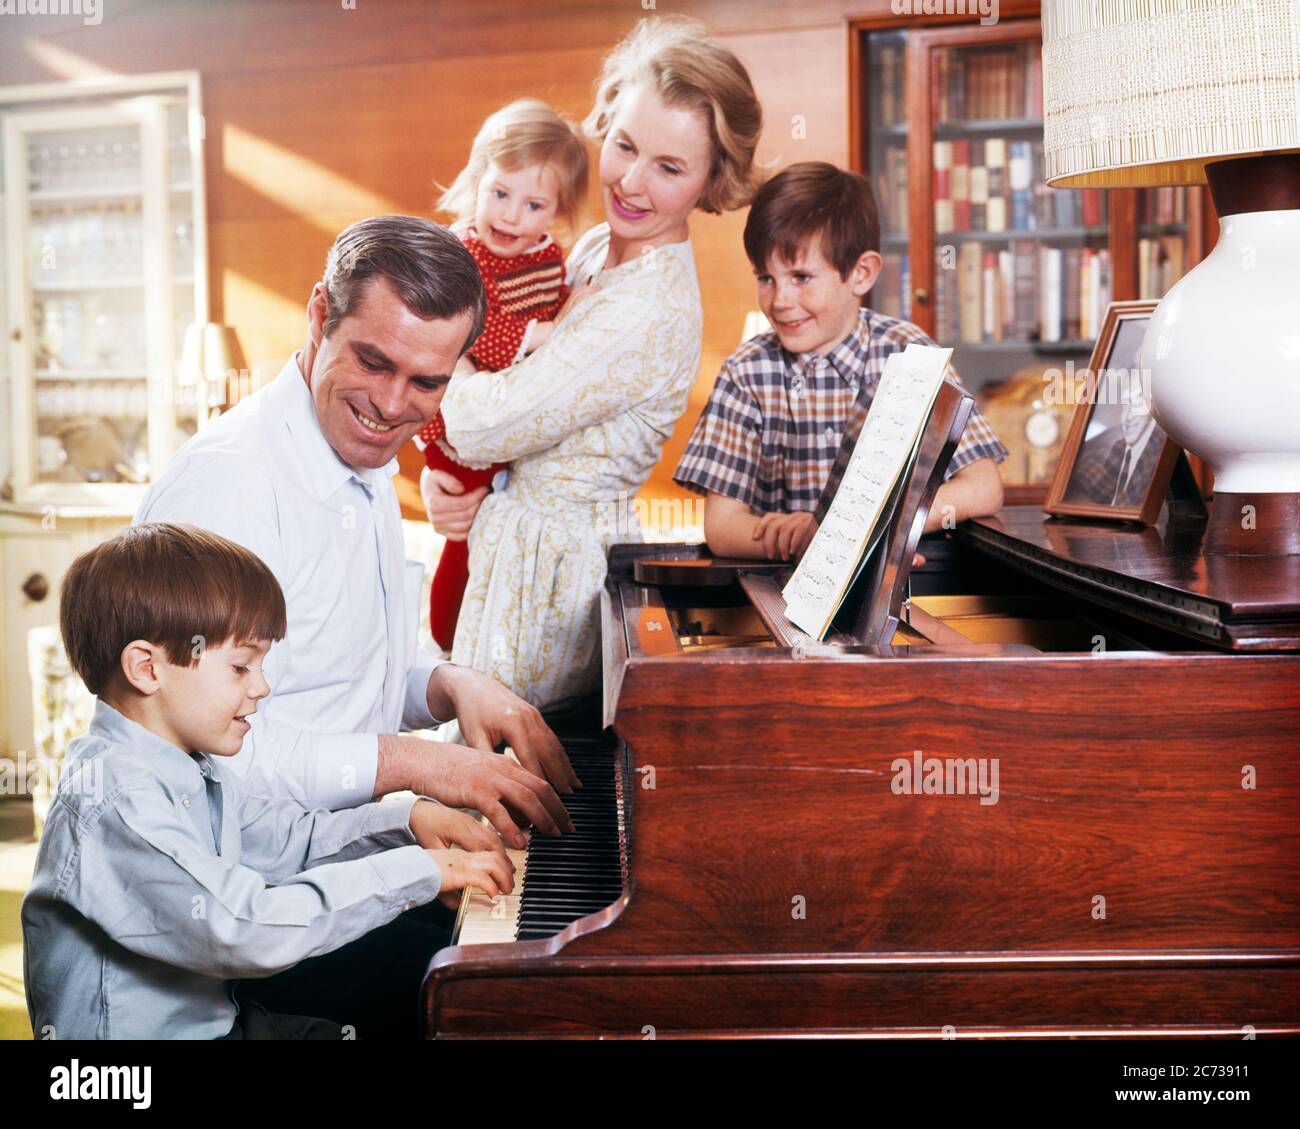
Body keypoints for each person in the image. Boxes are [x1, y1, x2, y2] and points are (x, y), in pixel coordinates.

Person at [136, 216, 575, 1036]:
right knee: (512, 1005)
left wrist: (448, 683)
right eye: (373, 361)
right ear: (317, 316)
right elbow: (205, 757)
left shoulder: (364, 456)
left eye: (427, 382)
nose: (392, 405)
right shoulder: (227, 489)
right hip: (237, 925)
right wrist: (421, 767)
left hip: (336, 869)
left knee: (529, 960)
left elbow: (352, 671)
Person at [22, 523, 513, 1040]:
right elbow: (243, 927)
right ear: (147, 668)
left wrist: (405, 822)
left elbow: (286, 842)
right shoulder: (119, 801)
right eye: (240, 666)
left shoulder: (187, 765)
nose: (262, 687)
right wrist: (417, 872)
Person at [422, 16, 763, 708]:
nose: (631, 183)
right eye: (624, 145)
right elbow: (497, 415)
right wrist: (455, 484)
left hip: (553, 579)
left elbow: (483, 423)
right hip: (515, 545)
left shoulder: (646, 308)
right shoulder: (593, 247)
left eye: (668, 168)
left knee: (511, 780)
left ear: (711, 179)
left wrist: (442, 360)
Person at [674, 162, 1008, 561]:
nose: (780, 300)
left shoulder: (909, 354)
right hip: (777, 595)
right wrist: (803, 540)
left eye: (800, 277)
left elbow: (983, 487)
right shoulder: (745, 372)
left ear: (861, 274)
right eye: (766, 278)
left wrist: (873, 527)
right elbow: (722, 526)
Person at [418, 99, 589, 650]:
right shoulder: (463, 252)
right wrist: (546, 334)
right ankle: (446, 635)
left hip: (508, 425)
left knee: (493, 534)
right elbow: (470, 330)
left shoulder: (547, 253)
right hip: (455, 429)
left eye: (534, 203)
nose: (512, 215)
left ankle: (481, 635)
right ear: (477, 183)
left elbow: (550, 301)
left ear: (556, 210)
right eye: (499, 194)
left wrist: (569, 307)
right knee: (464, 535)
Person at [1065, 382, 1163, 507]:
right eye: (1126, 405)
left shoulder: (1150, 439)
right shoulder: (1119, 442)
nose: (1128, 417)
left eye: (1137, 405)